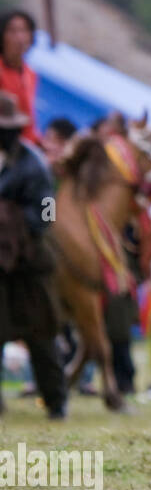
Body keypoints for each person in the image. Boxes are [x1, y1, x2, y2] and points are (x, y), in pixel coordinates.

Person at [0, 91, 67, 419]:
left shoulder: (35, 165)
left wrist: (13, 218)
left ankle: (56, 403)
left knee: (42, 334)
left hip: (30, 262)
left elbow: (48, 210)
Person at [0, 10, 40, 146]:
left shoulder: (30, 74)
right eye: (12, 31)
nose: (20, 38)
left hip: (19, 144)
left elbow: (28, 116)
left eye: (24, 31)